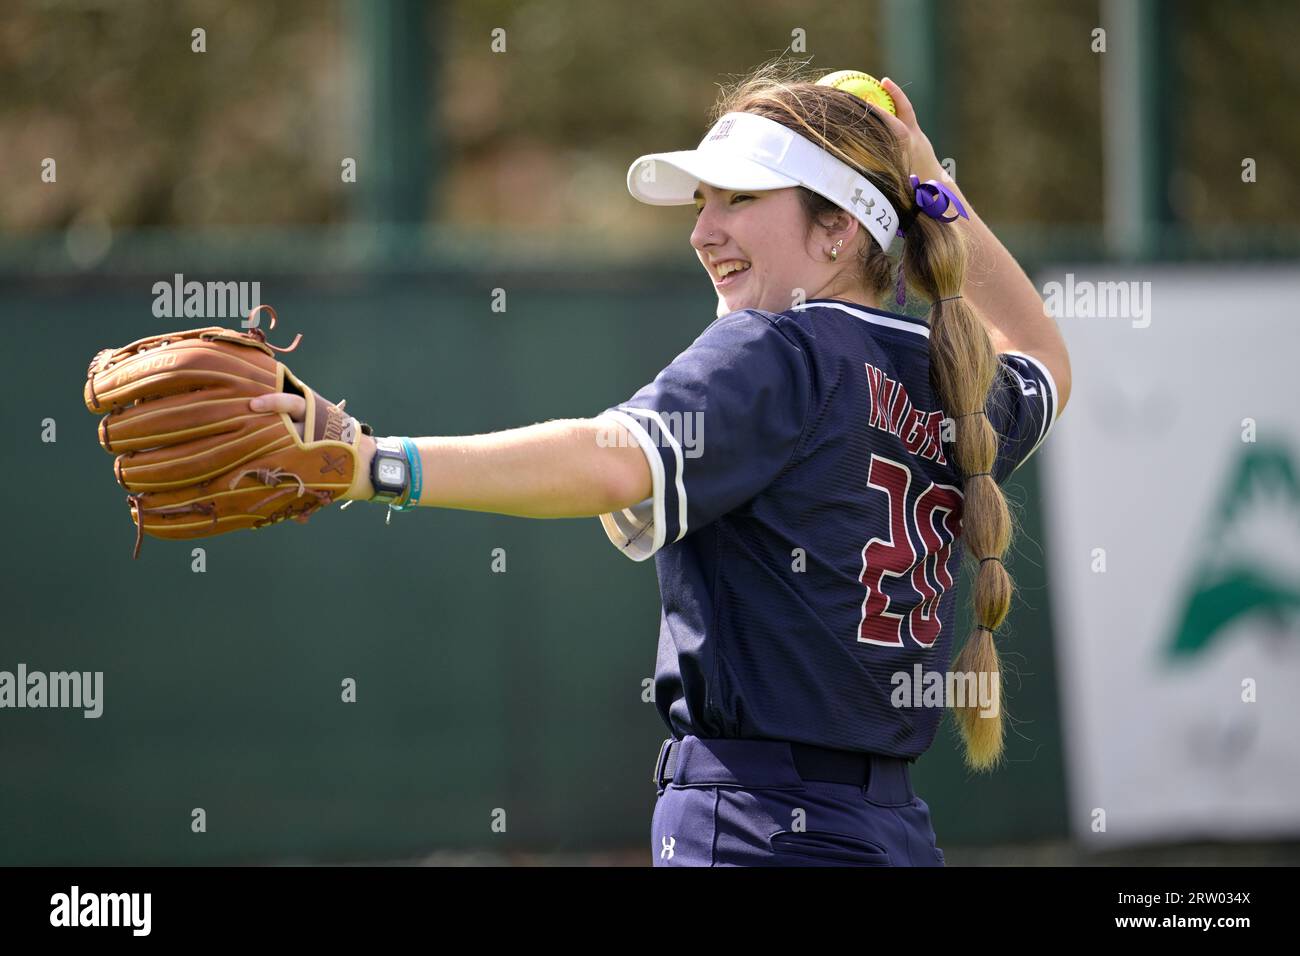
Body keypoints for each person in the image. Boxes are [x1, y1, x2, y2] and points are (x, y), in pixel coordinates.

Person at [250, 64, 1071, 867]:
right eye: (702, 201)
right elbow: (1042, 355)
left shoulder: (777, 347)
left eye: (740, 199)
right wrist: (929, 180)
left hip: (756, 825)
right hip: (892, 828)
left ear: (838, 228)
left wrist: (372, 464)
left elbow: (607, 465)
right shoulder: (953, 376)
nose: (702, 230)